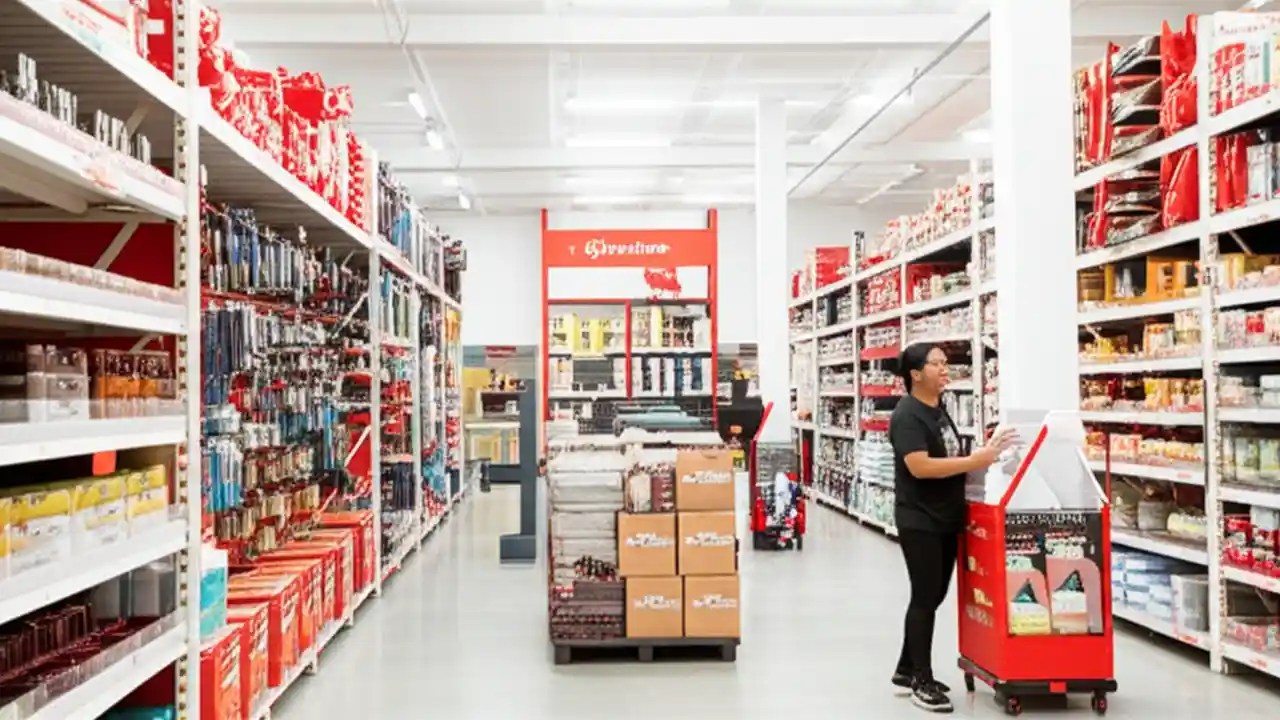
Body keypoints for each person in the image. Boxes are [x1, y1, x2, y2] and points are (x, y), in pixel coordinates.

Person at [889, 343, 1014, 713]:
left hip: (945, 515)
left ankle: (905, 668)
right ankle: (920, 680)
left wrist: (982, 456)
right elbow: (920, 466)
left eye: (947, 363)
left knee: (935, 595)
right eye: (937, 364)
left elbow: (947, 455)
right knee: (925, 598)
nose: (946, 369)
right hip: (920, 519)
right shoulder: (907, 416)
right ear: (915, 373)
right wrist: (973, 460)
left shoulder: (937, 409)